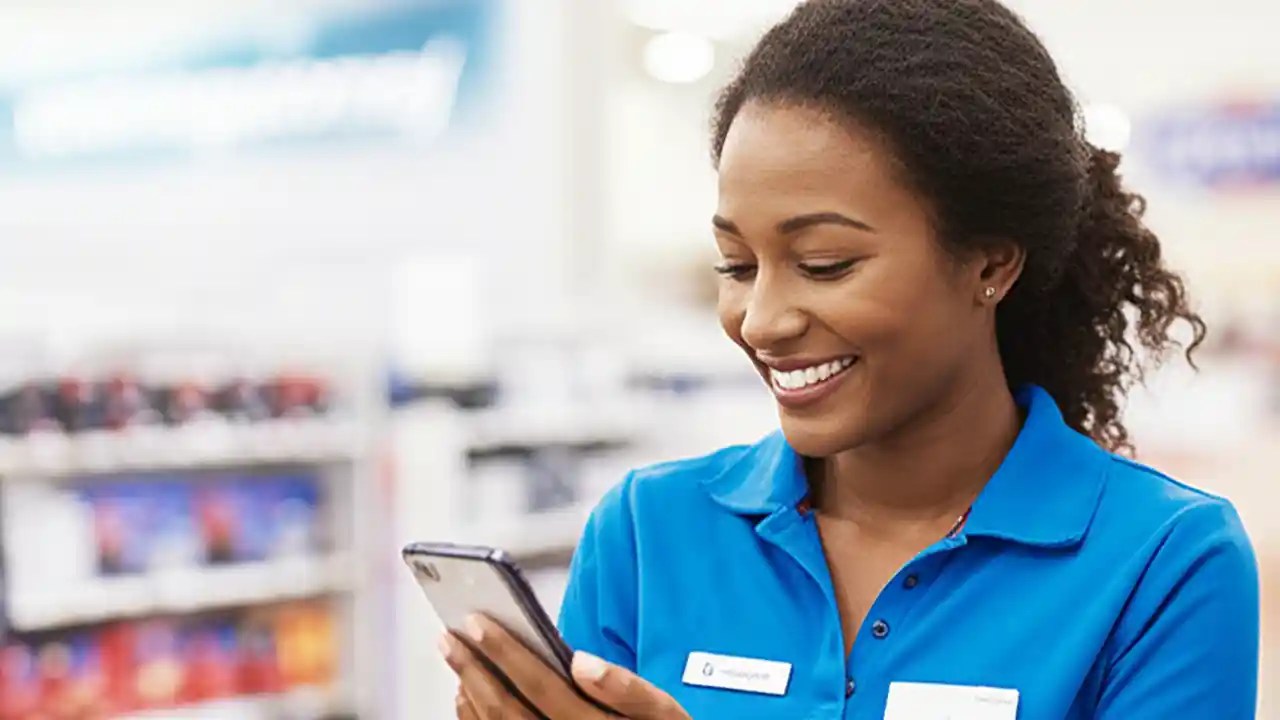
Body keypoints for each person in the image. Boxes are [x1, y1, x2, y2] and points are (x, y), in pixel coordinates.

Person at [436, 0, 1261, 717]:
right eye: (736, 265)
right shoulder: (650, 533)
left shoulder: (1165, 563)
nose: (761, 320)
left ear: (988, 264)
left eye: (825, 263)